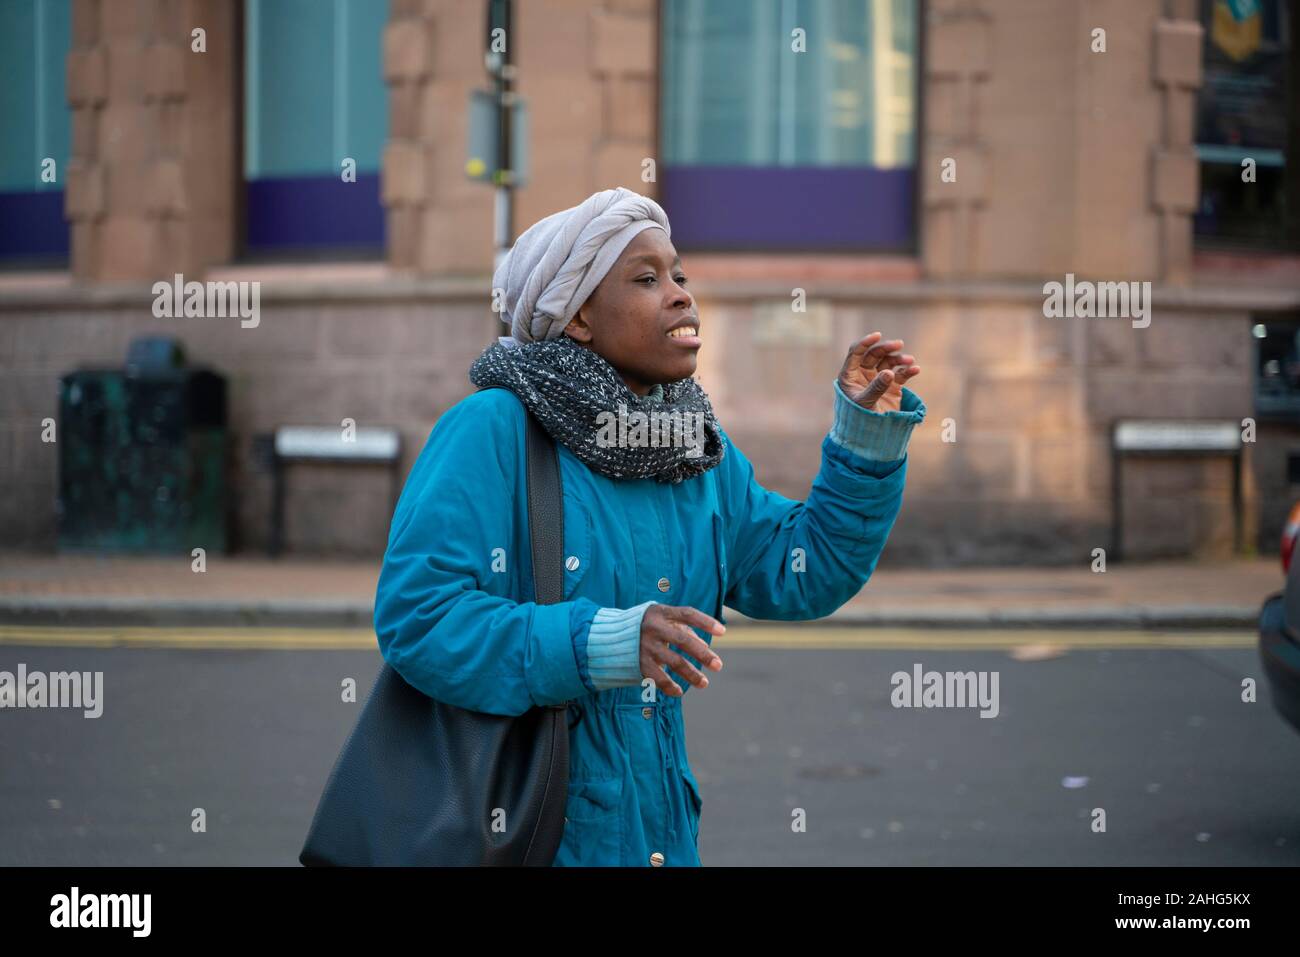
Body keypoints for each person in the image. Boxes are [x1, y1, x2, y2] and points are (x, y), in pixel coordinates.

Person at [373, 186, 925, 867]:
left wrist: (866, 435)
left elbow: (802, 571)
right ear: (577, 316)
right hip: (527, 836)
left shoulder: (690, 445)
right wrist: (598, 643)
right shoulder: (492, 429)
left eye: (678, 275)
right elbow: (418, 618)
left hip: (657, 839)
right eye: (646, 278)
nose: (680, 295)